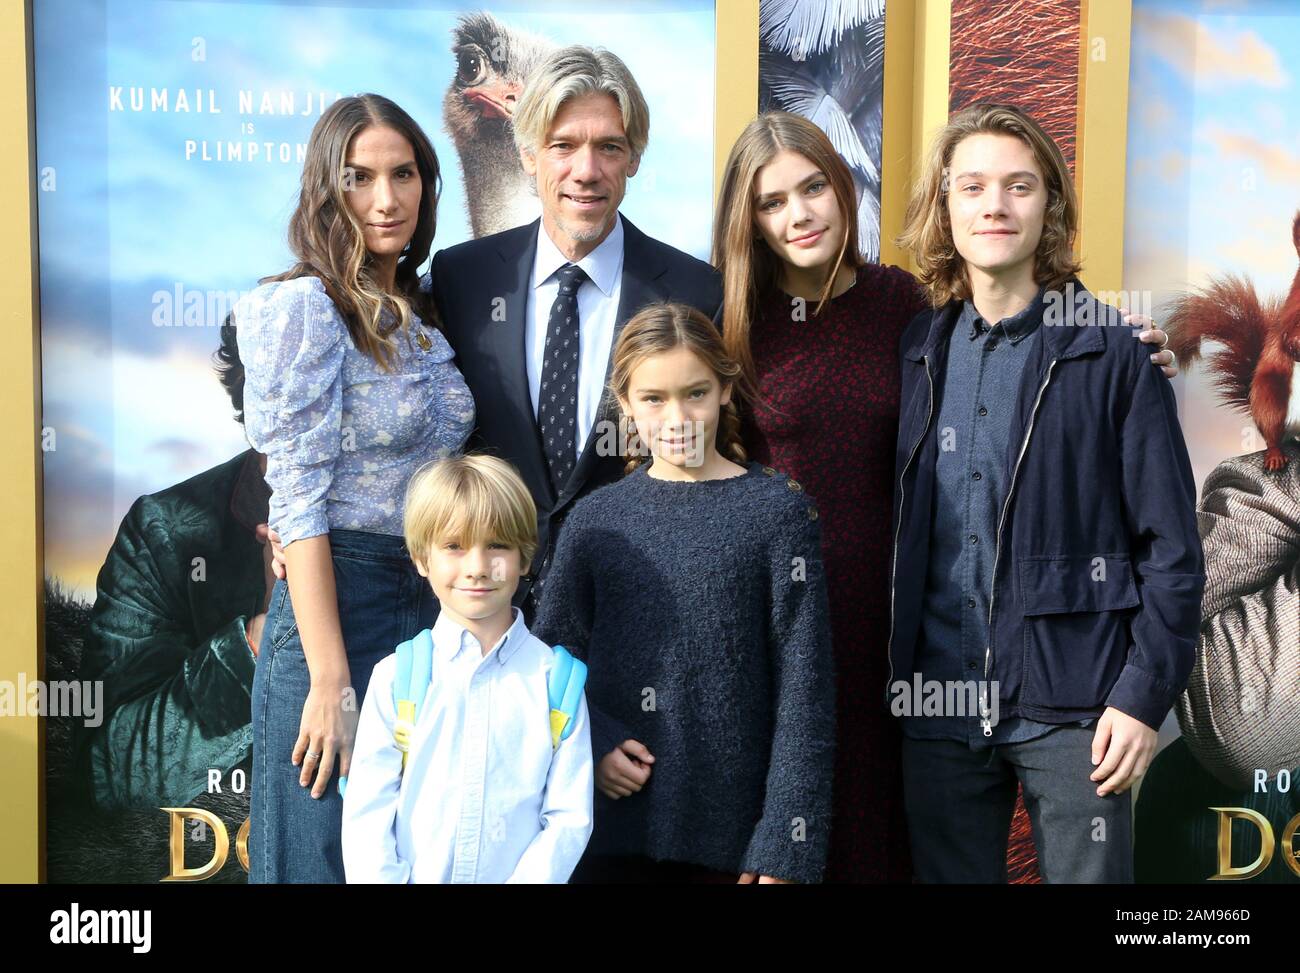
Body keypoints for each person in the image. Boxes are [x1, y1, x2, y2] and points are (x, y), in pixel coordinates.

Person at [711, 110, 1178, 882]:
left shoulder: (904, 311)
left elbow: (1024, 317)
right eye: (771, 200)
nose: (798, 213)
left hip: (949, 656)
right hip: (827, 642)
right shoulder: (735, 326)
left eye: (814, 186)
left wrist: (1117, 340)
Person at [889, 102, 1205, 882]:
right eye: (972, 187)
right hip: (938, 702)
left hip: (1079, 706)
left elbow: (1173, 551)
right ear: (946, 205)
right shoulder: (916, 349)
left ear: (1051, 206)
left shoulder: (1113, 353)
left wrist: (1141, 698)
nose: (994, 204)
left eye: (1019, 186)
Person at [237, 94, 475, 884]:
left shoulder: (427, 309)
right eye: (360, 177)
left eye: (403, 173)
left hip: (430, 618)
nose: (386, 197)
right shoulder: (304, 307)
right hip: (336, 615)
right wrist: (330, 676)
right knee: (319, 863)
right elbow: (297, 501)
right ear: (325, 190)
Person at [532, 302, 835, 884]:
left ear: (725, 389)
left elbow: (806, 690)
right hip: (606, 835)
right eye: (653, 399)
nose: (678, 417)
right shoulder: (597, 521)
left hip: (734, 840)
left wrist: (786, 844)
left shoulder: (779, 512)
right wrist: (595, 743)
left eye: (695, 393)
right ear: (624, 404)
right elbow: (547, 664)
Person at [427, 46, 721, 621]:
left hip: (641, 614)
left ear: (634, 158)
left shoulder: (696, 292)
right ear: (527, 154)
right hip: (491, 617)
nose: (586, 171)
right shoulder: (461, 278)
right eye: (563, 146)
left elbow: (715, 459)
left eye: (609, 147)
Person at [341, 454, 593, 883]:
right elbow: (367, 819)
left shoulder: (558, 683)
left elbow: (568, 819)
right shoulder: (395, 679)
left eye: (497, 545)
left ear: (525, 556)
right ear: (422, 559)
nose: (477, 567)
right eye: (454, 546)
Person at [71, 315, 271, 810]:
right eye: (287, 391)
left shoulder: (446, 522)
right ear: (250, 401)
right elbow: (110, 774)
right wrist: (257, 643)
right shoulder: (164, 531)